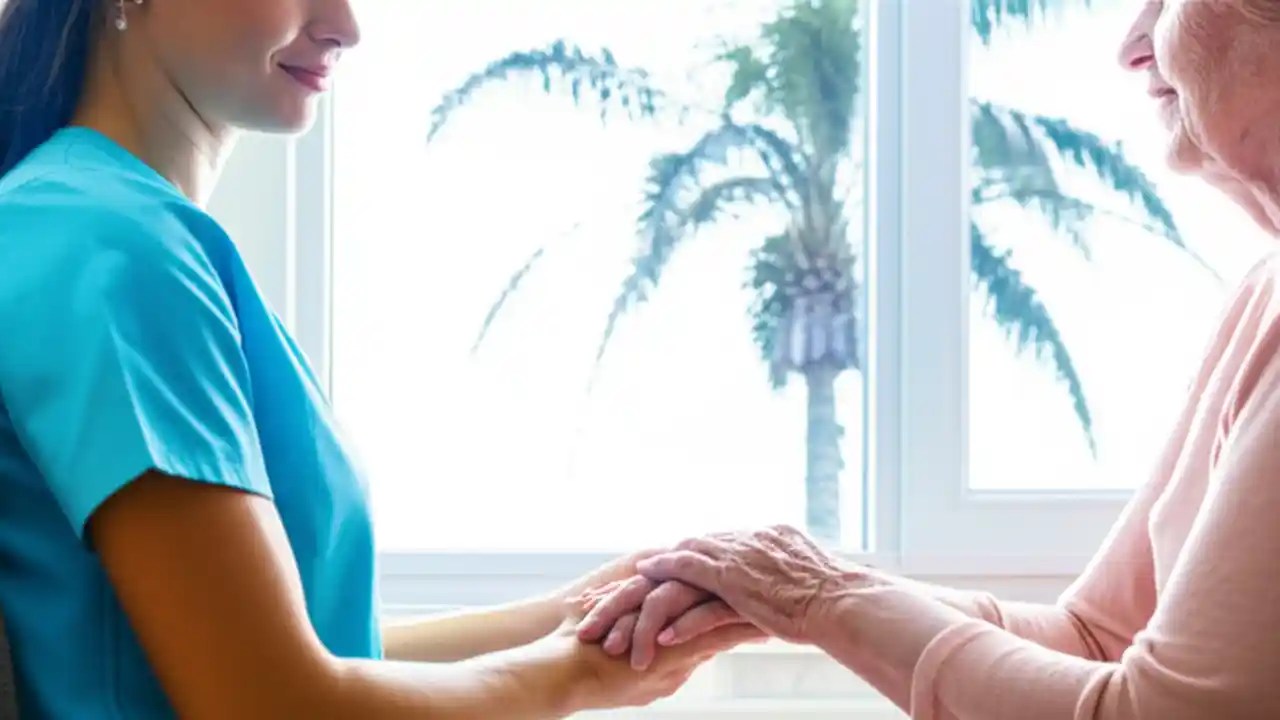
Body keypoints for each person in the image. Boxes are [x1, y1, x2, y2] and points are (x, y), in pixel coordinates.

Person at [0, 0, 763, 717]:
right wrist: (577, 675)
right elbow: (270, 701)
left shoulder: (109, 228)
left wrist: (569, 621)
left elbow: (310, 652)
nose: (345, 26)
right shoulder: (111, 247)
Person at [575, 1, 1280, 718]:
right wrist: (782, 592)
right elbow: (1092, 639)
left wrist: (823, 598)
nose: (1134, 46)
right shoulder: (1265, 292)